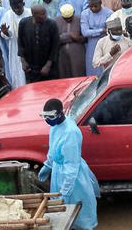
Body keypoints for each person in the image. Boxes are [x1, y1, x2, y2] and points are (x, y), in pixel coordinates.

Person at [38, 98, 99, 230]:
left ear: (60, 114)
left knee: (79, 211)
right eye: (46, 117)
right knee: (61, 211)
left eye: (51, 117)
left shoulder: (71, 132)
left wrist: (66, 189)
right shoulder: (54, 127)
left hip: (73, 177)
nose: (48, 120)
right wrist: (48, 165)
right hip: (58, 172)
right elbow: (52, 148)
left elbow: (71, 165)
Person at [18, 5, 60, 83]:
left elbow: (55, 46)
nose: (44, 16)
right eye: (41, 14)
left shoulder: (51, 24)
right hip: (31, 68)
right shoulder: (24, 23)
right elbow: (20, 43)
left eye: (45, 13)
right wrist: (23, 61)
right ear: (33, 14)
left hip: (49, 67)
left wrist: (48, 65)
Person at [81, 0, 112, 76]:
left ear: (100, 3)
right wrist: (101, 30)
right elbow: (85, 32)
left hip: (105, 43)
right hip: (92, 45)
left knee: (105, 68)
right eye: (91, 6)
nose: (93, 8)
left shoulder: (109, 13)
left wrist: (92, 31)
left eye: (95, 6)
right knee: (93, 69)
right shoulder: (85, 14)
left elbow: (110, 30)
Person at [55, 4, 86, 78]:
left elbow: (84, 38)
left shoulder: (79, 20)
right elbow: (55, 39)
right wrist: (70, 36)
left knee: (78, 73)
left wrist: (76, 38)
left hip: (77, 52)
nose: (68, 20)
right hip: (62, 53)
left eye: (70, 18)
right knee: (64, 74)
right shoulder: (56, 21)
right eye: (65, 18)